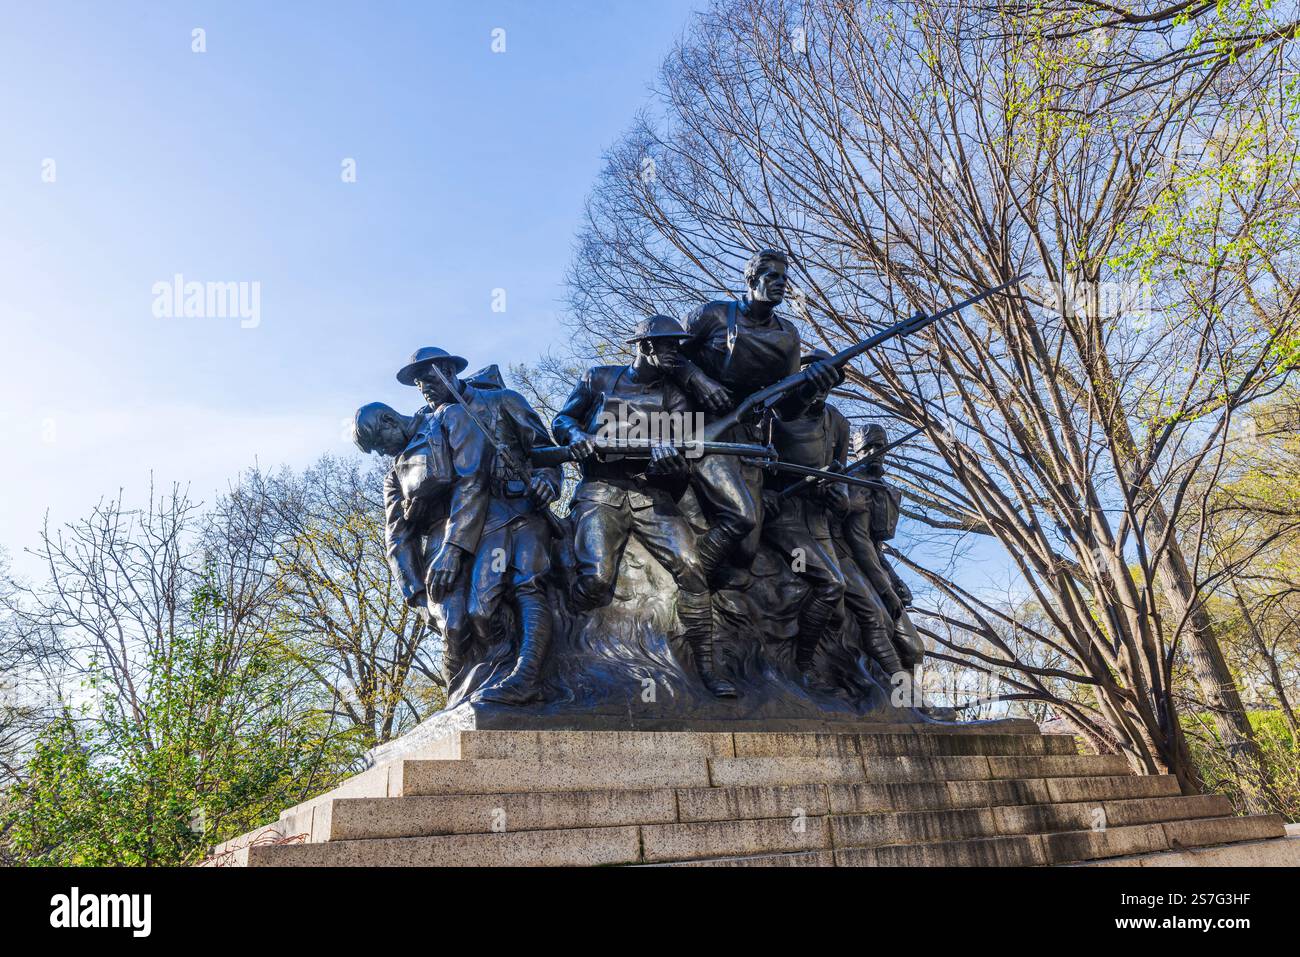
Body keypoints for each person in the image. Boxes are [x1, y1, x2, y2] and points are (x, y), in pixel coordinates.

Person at [553, 315, 737, 697]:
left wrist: (671, 463)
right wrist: (578, 436)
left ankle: (706, 667)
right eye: (668, 346)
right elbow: (562, 419)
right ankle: (558, 642)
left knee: (692, 567)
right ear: (645, 347)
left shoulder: (676, 397)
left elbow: (683, 462)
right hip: (601, 489)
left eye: (677, 346)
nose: (675, 353)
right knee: (597, 580)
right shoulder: (597, 378)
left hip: (651, 496)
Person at [394, 346, 562, 705]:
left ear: (452, 371)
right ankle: (482, 681)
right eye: (419, 380)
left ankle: (528, 676)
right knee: (478, 610)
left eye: (432, 374)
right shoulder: (428, 425)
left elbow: (545, 452)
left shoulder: (503, 401)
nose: (425, 384)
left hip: (522, 510)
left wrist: (549, 479)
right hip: (480, 523)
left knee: (526, 583)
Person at [665, 249, 841, 585]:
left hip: (746, 437)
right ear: (751, 279)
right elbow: (670, 356)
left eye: (784, 279)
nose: (780, 284)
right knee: (741, 516)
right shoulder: (712, 315)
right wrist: (699, 380)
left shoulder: (787, 335)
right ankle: (690, 583)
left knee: (746, 549)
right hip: (698, 426)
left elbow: (786, 409)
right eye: (772, 276)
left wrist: (809, 387)